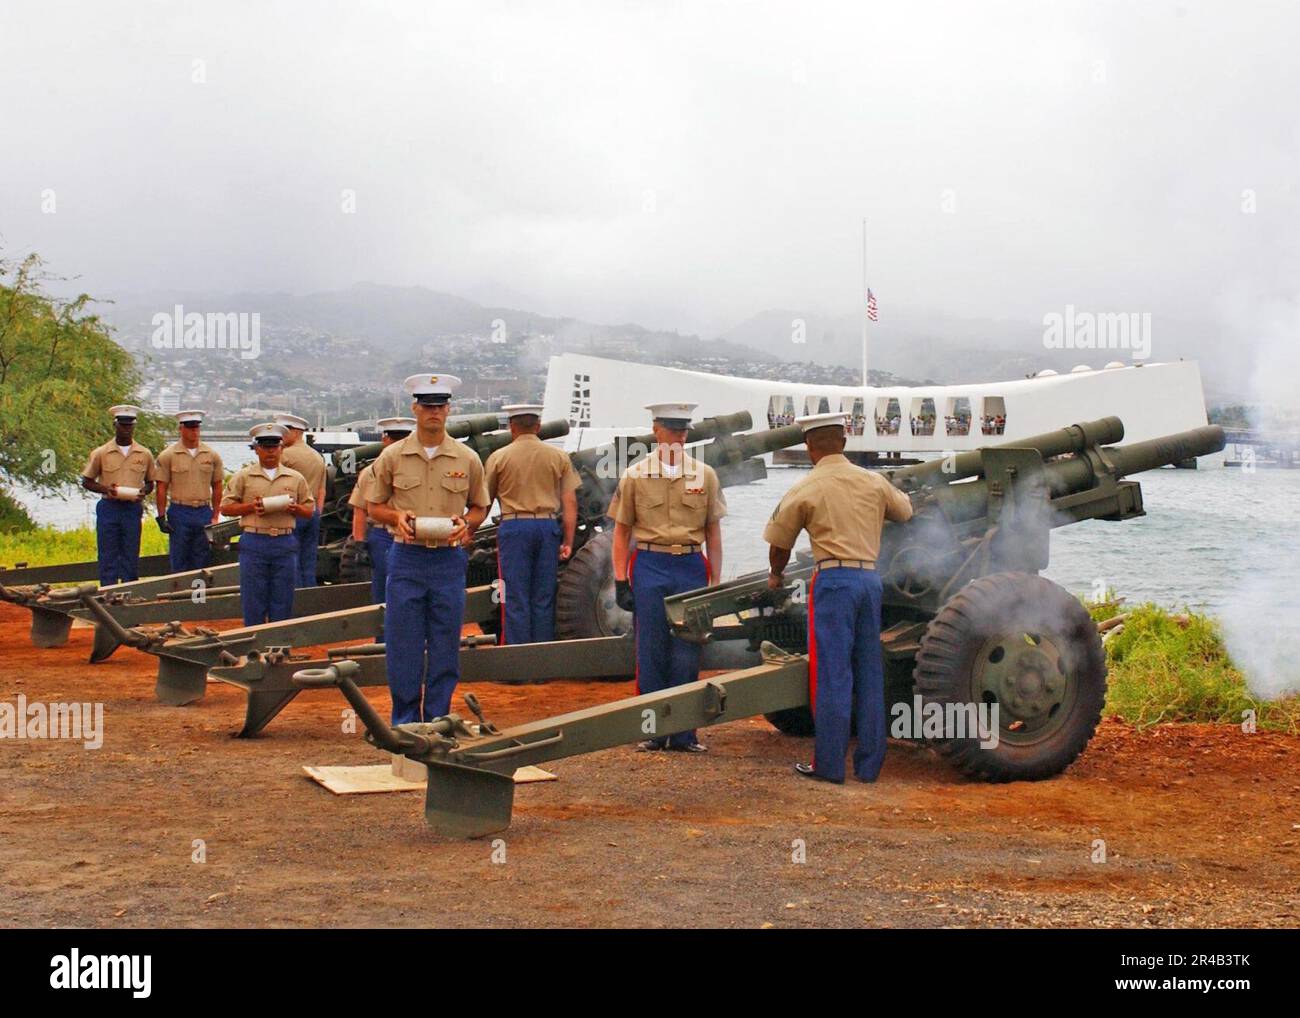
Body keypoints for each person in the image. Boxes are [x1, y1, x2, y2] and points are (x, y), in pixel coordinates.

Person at [764, 411, 914, 784]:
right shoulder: (873, 481)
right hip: (869, 580)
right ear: (844, 443)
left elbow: (780, 543)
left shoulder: (806, 488)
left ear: (809, 447)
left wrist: (776, 574)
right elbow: (906, 512)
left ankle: (829, 766)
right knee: (869, 672)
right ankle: (869, 766)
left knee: (832, 674)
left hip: (834, 583)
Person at [367, 373, 489, 724]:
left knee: (444, 645)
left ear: (449, 410)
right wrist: (396, 515)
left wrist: (468, 523)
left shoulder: (467, 458)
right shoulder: (392, 456)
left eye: (440, 406)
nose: (433, 412)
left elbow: (480, 506)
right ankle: (405, 724)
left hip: (448, 560)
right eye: (426, 406)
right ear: (414, 408)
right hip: (407, 556)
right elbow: (374, 506)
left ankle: (438, 721)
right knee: (403, 645)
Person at [610, 402, 726, 752]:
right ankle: (653, 731)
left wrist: (716, 583)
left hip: (690, 566)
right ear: (656, 430)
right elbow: (621, 532)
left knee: (688, 651)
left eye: (683, 430)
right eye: (672, 429)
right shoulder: (635, 475)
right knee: (651, 650)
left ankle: (685, 734)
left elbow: (713, 532)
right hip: (650, 565)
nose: (679, 436)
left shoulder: (704, 475)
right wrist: (620, 579)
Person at [484, 403, 580, 644]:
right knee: (543, 596)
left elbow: (485, 501)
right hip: (547, 528)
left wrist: (469, 530)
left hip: (514, 528)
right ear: (538, 426)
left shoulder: (498, 457)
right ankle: (541, 664)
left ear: (511, 427)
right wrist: (567, 541)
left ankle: (519, 663)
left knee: (515, 596)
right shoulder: (559, 457)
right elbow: (570, 503)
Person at [220, 423, 315, 625]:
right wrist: (251, 508)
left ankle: (278, 648)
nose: (270, 452)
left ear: (281, 448)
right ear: (256, 449)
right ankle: (254, 645)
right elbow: (226, 507)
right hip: (255, 540)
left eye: (274, 447)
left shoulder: (295, 478)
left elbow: (309, 511)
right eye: (265, 447)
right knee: (253, 599)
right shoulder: (244, 477)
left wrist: (293, 509)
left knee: (283, 599)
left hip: (283, 540)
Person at [347, 417, 415, 635]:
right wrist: (360, 545)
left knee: (399, 591)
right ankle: (386, 639)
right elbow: (360, 509)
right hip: (392, 534)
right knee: (389, 591)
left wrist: (359, 543)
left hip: (398, 534)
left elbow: (359, 511)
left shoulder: (373, 470)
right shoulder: (373, 471)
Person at [81, 404, 157, 586]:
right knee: (108, 553)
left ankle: (130, 590)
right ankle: (108, 590)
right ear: (115, 425)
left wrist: (142, 493)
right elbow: (87, 481)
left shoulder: (144, 454)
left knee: (131, 552)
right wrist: (106, 489)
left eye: (129, 425)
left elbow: (150, 483)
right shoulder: (101, 453)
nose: (126, 429)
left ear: (134, 426)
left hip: (131, 508)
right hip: (109, 507)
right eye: (123, 425)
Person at [154, 410, 224, 572]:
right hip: (180, 511)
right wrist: (161, 516)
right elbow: (161, 487)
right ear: (181, 429)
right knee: (179, 557)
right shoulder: (168, 455)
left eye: (197, 428)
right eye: (190, 427)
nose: (194, 431)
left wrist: (215, 515)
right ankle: (179, 596)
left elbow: (217, 485)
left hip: (203, 510)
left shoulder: (211, 455)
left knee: (202, 557)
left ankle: (198, 596)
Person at [275, 412, 326, 587]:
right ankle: (309, 598)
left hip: (291, 513)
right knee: (308, 561)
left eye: (284, 431)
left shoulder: (285, 455)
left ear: (295, 432)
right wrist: (316, 512)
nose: (280, 435)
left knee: (290, 561)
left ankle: (295, 601)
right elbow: (321, 489)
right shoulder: (317, 457)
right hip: (311, 513)